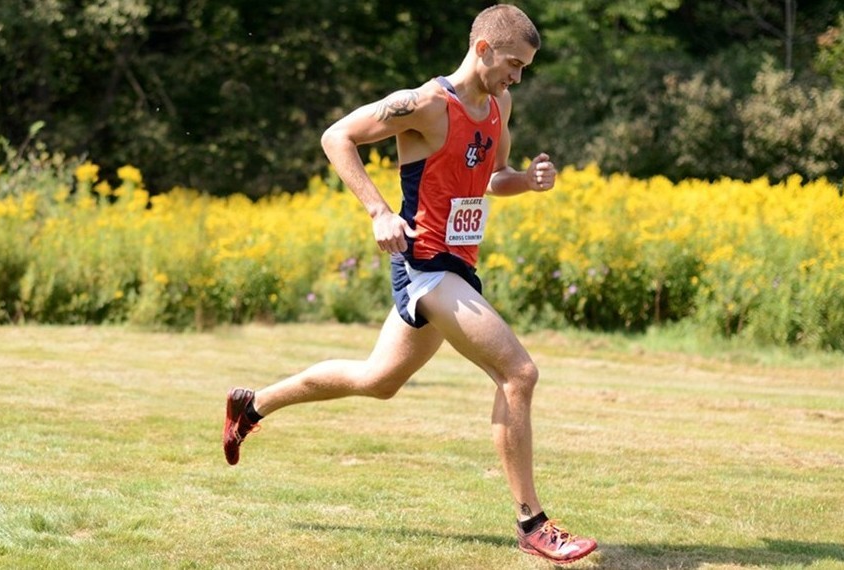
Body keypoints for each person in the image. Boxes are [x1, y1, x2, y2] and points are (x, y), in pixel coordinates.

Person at [222, 4, 598, 565]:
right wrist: (378, 211)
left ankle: (251, 406)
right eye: (513, 64)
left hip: (458, 267)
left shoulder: (499, 105)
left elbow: (491, 178)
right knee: (518, 373)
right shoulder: (425, 104)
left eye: (524, 68)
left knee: (377, 380)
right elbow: (336, 136)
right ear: (483, 49)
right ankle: (533, 524)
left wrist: (527, 180)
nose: (517, 77)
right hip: (424, 265)